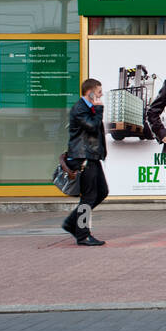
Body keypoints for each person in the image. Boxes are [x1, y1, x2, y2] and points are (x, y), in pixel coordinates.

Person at [62, 78, 109, 247]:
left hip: (92, 157)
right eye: (98, 92)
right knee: (89, 197)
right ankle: (82, 235)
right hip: (83, 158)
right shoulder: (80, 109)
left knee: (102, 192)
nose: (101, 94)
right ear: (90, 93)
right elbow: (91, 127)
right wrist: (99, 108)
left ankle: (70, 223)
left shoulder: (87, 108)